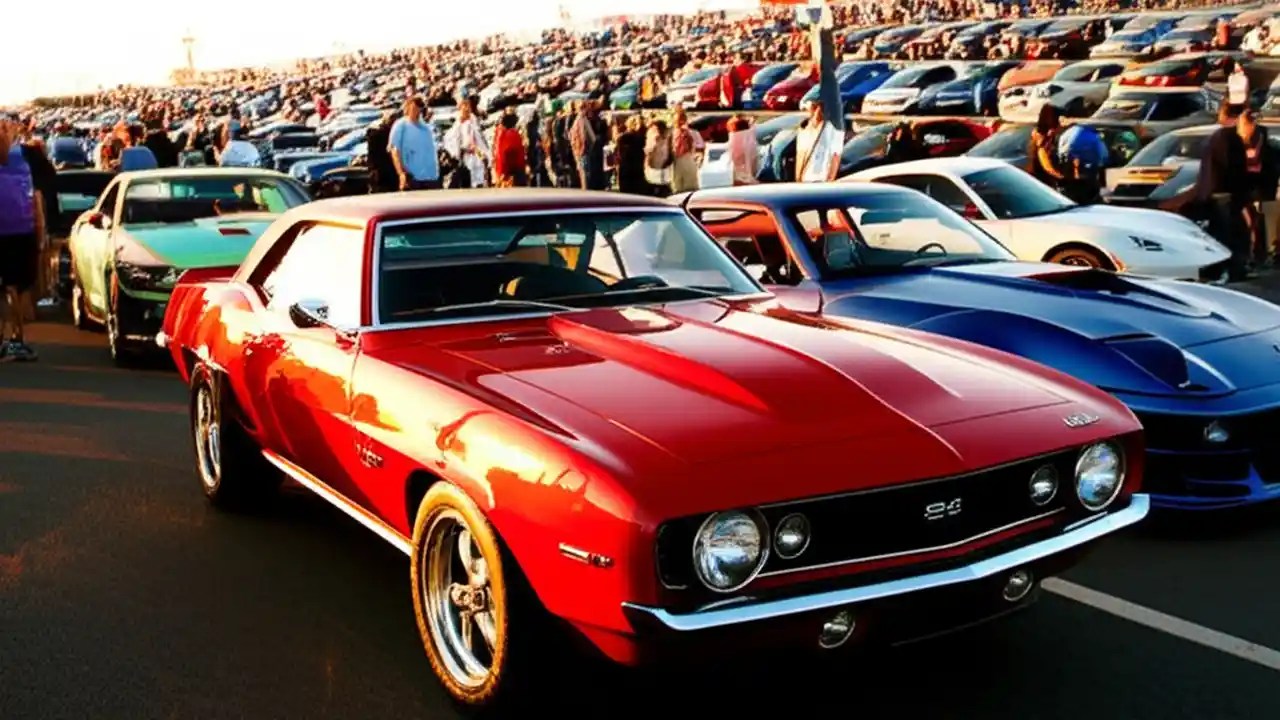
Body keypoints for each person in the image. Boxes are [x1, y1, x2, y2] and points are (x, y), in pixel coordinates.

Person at [0, 114, 47, 361]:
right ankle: (17, 338)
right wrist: (40, 232)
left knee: (5, 288)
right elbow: (36, 199)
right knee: (16, 287)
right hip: (21, 231)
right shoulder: (25, 159)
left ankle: (3, 339)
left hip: (9, 231)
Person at [1194, 107, 1254, 281]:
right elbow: (1231, 171)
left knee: (1225, 233)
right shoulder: (1228, 138)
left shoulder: (1221, 137)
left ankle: (1221, 270)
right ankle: (1228, 270)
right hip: (1224, 195)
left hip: (1218, 194)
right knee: (1229, 234)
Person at [1238, 108, 1278, 269]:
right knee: (1252, 223)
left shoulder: (1267, 146)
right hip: (1248, 190)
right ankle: (1256, 254)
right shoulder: (1236, 142)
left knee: (1259, 223)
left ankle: (1261, 254)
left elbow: (1270, 167)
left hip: (1263, 191)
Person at [387, 97, 440, 190]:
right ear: (407, 108)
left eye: (418, 108)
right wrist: (401, 173)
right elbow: (394, 150)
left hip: (430, 177)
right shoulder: (401, 125)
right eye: (413, 108)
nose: (416, 111)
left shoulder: (425, 128)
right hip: (412, 177)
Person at [795, 102, 841, 182]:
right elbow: (801, 157)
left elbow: (835, 157)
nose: (817, 112)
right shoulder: (805, 130)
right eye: (814, 108)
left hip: (820, 181)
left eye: (818, 108)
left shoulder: (832, 130)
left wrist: (829, 180)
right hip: (805, 180)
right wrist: (799, 179)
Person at [1028, 104, 1065, 188]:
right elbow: (1046, 165)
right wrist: (1061, 177)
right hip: (1044, 181)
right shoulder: (1042, 139)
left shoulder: (1038, 135)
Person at [669, 107, 704, 192]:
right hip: (675, 163)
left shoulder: (692, 133)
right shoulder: (670, 133)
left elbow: (701, 147)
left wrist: (698, 159)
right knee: (676, 188)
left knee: (690, 188)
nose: (679, 122)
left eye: (681, 119)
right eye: (677, 120)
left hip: (688, 161)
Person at [615, 114, 649, 195]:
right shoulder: (641, 138)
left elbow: (618, 152)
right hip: (637, 166)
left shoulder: (622, 138)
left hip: (626, 166)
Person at [492, 111, 527, 187]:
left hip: (508, 170)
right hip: (515, 170)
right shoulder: (513, 134)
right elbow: (509, 152)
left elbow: (503, 154)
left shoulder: (503, 134)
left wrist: (502, 172)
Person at [726, 114, 759, 185]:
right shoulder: (747, 135)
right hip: (744, 171)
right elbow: (750, 128)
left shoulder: (734, 135)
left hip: (737, 171)